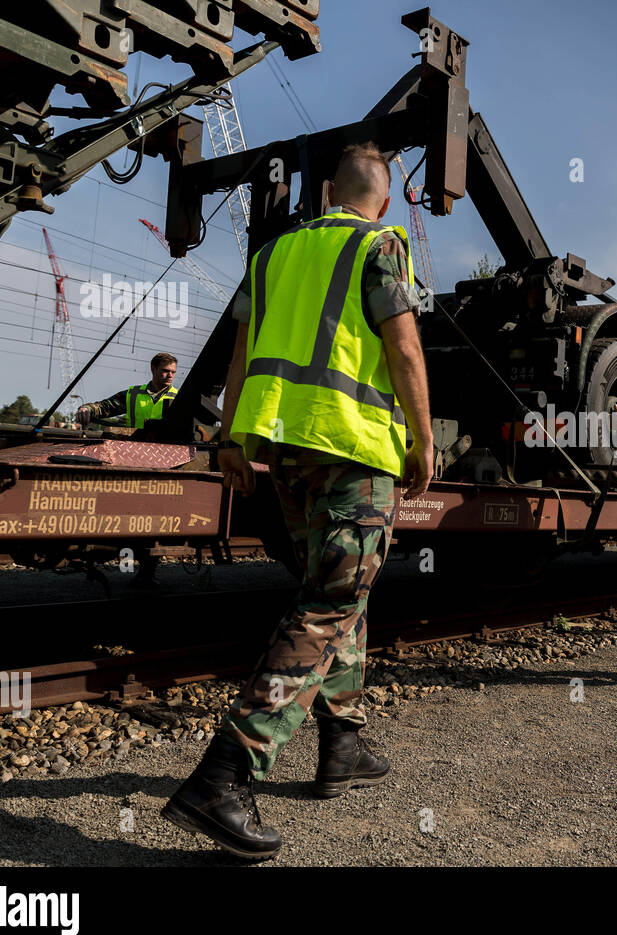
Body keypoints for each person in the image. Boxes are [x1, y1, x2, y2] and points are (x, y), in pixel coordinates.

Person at [162, 142, 434, 860]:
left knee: (340, 594)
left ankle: (343, 745)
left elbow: (242, 348)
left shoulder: (275, 253)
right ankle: (225, 775)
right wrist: (424, 437)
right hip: (354, 450)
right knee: (328, 605)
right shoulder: (380, 244)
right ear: (380, 200)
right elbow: (403, 345)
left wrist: (229, 436)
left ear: (327, 193)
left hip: (287, 453)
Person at [75, 353, 177, 426]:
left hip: (167, 450)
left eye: (173, 372)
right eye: (166, 371)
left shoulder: (179, 398)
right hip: (134, 448)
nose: (170, 376)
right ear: (153, 369)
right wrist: (87, 409)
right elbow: (104, 407)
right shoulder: (133, 394)